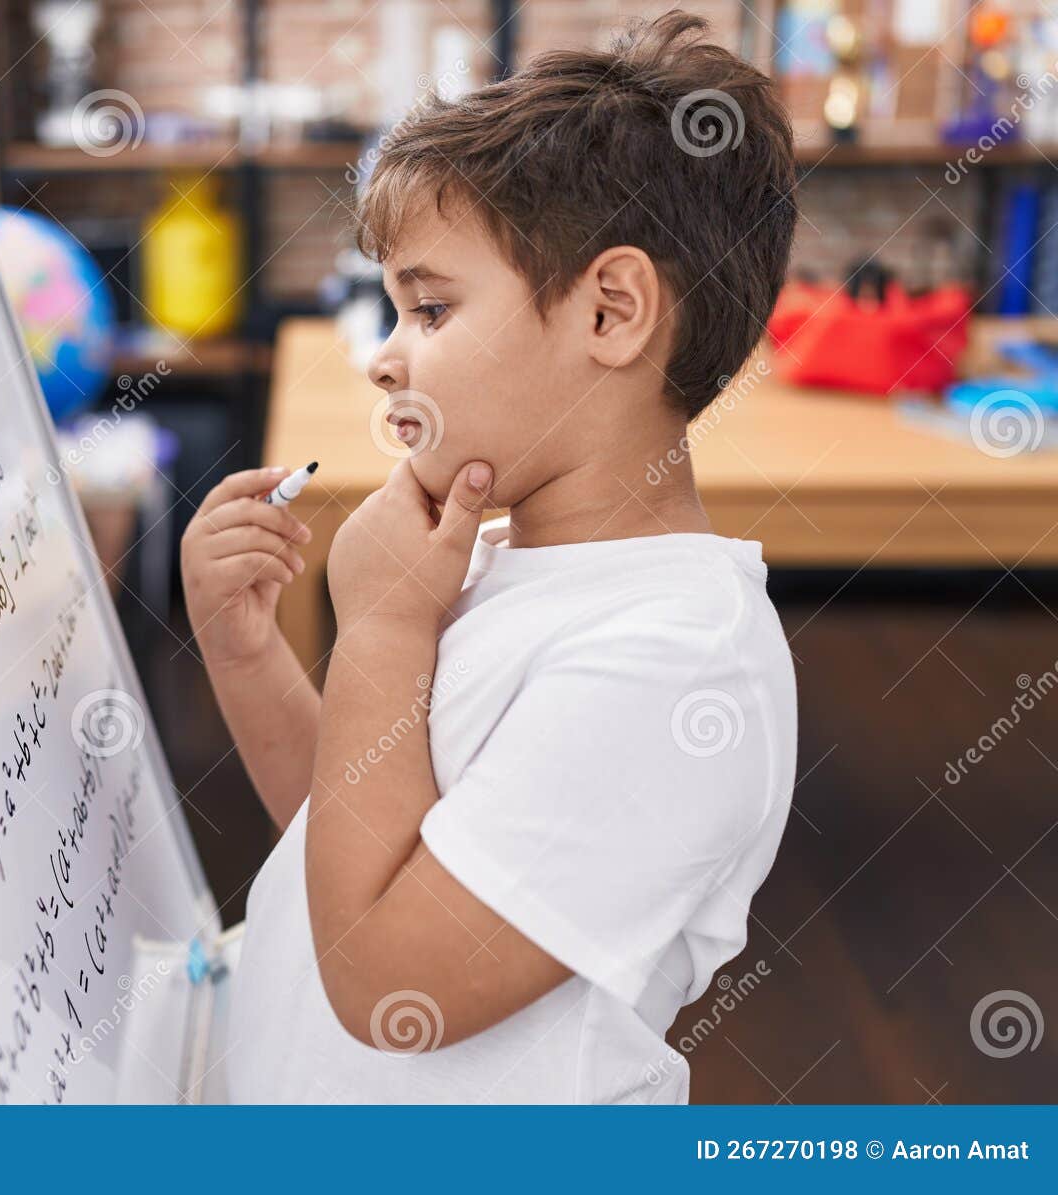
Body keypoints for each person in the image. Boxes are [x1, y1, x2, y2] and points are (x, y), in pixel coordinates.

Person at [180, 9, 798, 1102]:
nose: (383, 358)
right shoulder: (500, 565)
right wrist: (245, 652)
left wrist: (379, 626)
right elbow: (362, 843)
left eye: (427, 306)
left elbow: (386, 979)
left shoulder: (677, 661)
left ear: (611, 310)